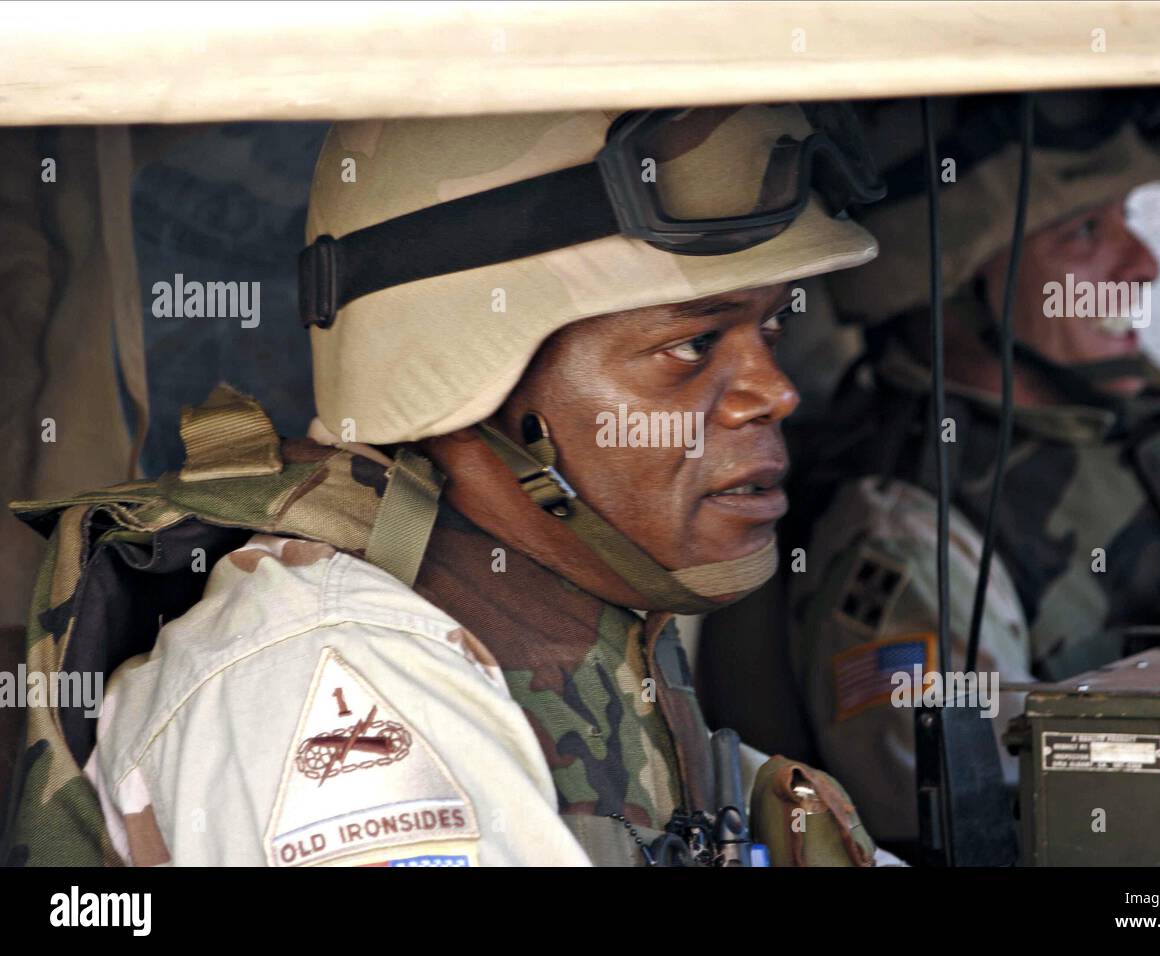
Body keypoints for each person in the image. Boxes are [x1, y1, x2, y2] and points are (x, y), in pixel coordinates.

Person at [5, 104, 901, 866]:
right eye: (692, 345)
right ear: (465, 377)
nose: (773, 392)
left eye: (771, 331)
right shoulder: (333, 677)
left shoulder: (581, 630)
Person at [702, 99, 1160, 851]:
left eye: (1124, 218)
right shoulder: (903, 525)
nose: (1144, 263)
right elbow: (968, 809)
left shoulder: (1139, 419)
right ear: (952, 291)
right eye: (1084, 232)